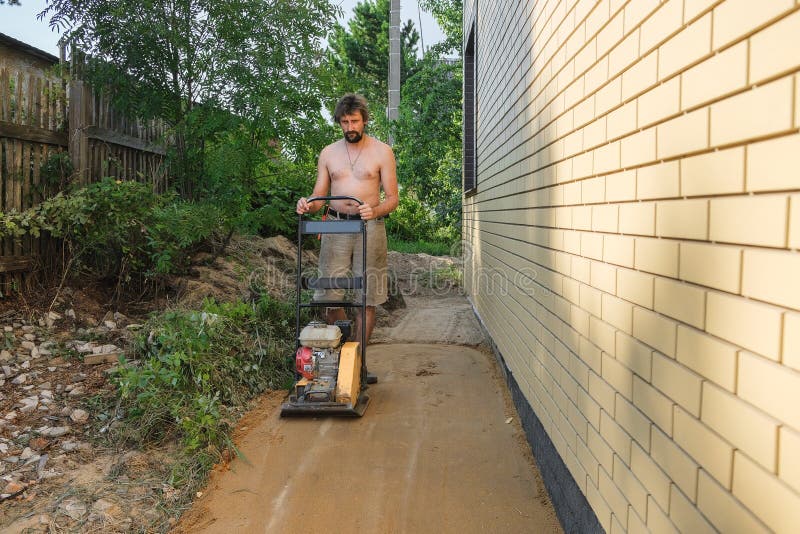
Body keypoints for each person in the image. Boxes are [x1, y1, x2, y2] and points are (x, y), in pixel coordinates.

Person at [296, 93, 399, 353]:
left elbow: (393, 199)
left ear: (364, 120)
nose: (350, 127)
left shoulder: (382, 152)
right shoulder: (328, 153)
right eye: (344, 122)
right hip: (335, 225)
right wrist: (307, 204)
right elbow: (319, 195)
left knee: (367, 297)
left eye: (354, 121)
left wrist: (374, 211)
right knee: (329, 296)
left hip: (369, 227)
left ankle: (358, 362)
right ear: (339, 122)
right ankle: (342, 353)